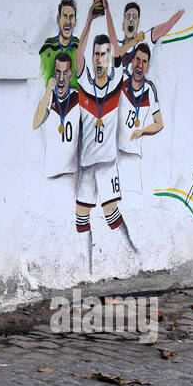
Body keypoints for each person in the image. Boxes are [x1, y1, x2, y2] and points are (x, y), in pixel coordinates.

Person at [74, 33, 137, 272]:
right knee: (81, 215)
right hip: (87, 165)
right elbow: (77, 55)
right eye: (96, 54)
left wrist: (107, 8)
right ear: (91, 58)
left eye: (104, 54)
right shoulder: (85, 85)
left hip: (108, 163)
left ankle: (132, 253)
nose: (100, 59)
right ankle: (87, 269)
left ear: (110, 58)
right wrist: (90, 18)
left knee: (111, 212)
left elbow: (119, 49)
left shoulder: (116, 82)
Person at [117, 42, 163, 192]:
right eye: (137, 59)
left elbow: (159, 123)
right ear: (131, 61)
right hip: (114, 154)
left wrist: (142, 131)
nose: (140, 65)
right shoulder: (121, 80)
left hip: (133, 157)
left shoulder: (150, 89)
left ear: (148, 66)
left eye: (144, 61)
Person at [32, 53, 80, 179]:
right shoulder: (48, 97)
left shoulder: (77, 99)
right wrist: (48, 89)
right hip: (50, 175)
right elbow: (36, 123)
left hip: (71, 174)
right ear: (54, 74)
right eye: (58, 72)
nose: (61, 78)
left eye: (65, 72)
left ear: (70, 75)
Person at [114, 1, 184, 73]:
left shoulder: (147, 37)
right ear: (123, 22)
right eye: (128, 17)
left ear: (138, 22)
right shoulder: (114, 44)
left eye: (135, 17)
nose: (131, 20)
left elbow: (168, 25)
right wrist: (133, 42)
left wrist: (183, 9)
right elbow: (112, 59)